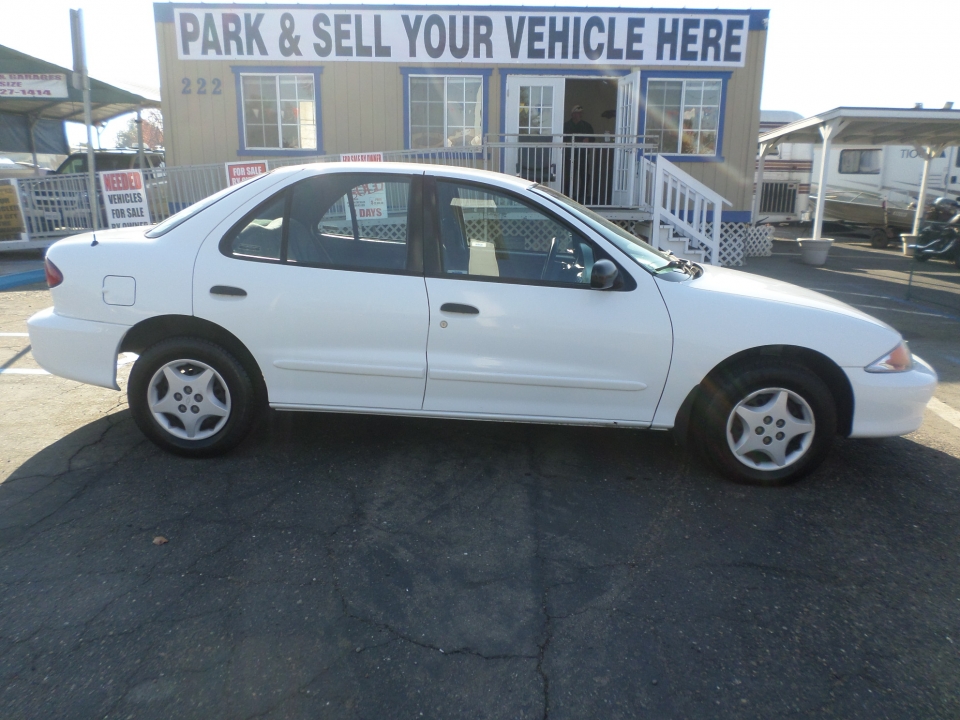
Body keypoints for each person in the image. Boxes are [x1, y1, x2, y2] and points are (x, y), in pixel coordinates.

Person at [563, 105, 594, 201]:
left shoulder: (586, 126)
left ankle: (583, 195)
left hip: (582, 155)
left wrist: (588, 139)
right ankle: (567, 195)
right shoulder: (566, 125)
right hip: (569, 156)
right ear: (572, 114)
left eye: (580, 113)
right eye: (577, 113)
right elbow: (563, 139)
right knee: (568, 176)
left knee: (584, 176)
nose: (579, 115)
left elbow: (593, 138)